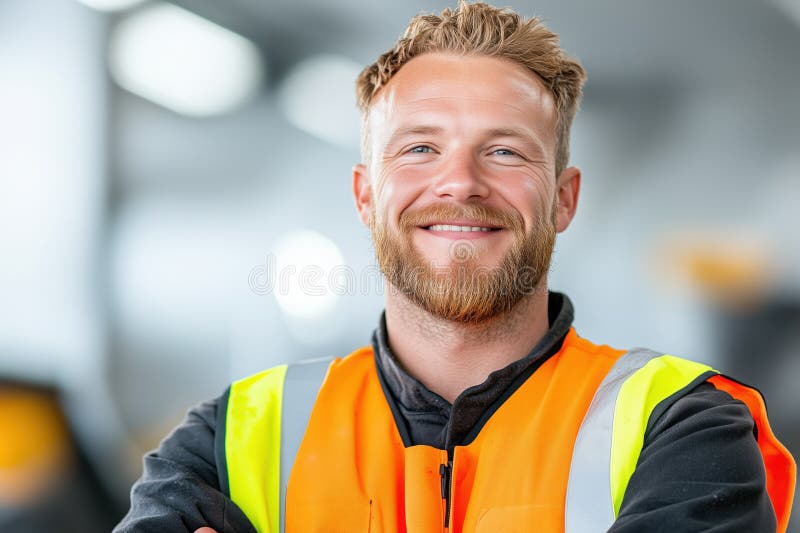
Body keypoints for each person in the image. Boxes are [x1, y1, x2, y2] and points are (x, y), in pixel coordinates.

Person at [113, 2, 796, 532]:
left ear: (562, 198)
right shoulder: (228, 437)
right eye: (419, 149)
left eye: (504, 151)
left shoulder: (684, 428)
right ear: (364, 195)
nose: (460, 183)